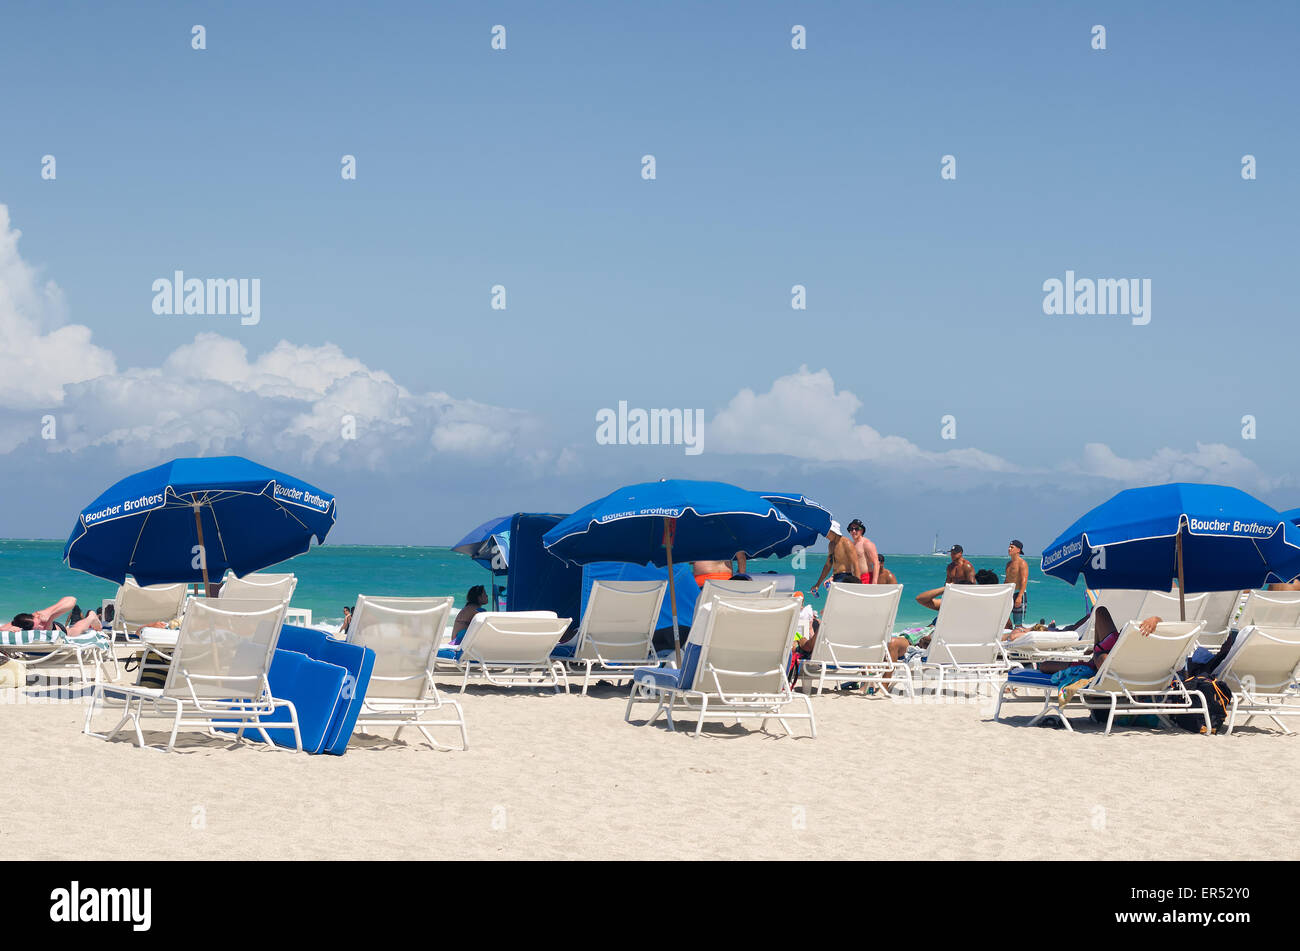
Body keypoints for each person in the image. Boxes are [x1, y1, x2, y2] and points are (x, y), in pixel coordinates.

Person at [1, 596, 102, 638]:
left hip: (60, 630)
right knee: (74, 629)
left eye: (39, 622)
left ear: (34, 615)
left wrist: (49, 613)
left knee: (74, 630)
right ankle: (91, 617)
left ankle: (91, 617)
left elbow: (72, 599)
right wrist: (11, 628)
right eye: (38, 626)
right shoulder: (19, 624)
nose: (41, 626)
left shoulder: (41, 617)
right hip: (53, 628)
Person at [914, 544, 976, 611]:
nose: (952, 555)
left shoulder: (967, 566)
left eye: (954, 553)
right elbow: (947, 584)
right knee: (924, 601)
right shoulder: (950, 567)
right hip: (951, 598)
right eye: (951, 553)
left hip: (963, 598)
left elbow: (972, 585)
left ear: (961, 553)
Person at [810, 521, 864, 596]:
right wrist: (817, 584)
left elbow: (855, 565)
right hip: (836, 578)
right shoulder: (831, 545)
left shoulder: (846, 543)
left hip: (846, 578)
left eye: (827, 532)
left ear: (834, 531)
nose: (825, 535)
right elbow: (828, 566)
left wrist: (858, 586)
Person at [846, 519, 880, 584]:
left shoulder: (867, 544)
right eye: (851, 529)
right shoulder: (851, 545)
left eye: (856, 529)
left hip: (866, 578)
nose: (853, 531)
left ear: (861, 530)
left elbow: (876, 563)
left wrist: (874, 582)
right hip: (854, 579)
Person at [1005, 539, 1029, 627]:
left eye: (1012, 547)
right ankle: (1010, 633)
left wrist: (1019, 596)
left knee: (1018, 623)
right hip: (1009, 594)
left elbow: (1024, 580)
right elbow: (1007, 580)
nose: (1009, 549)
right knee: (1003, 617)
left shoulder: (1022, 563)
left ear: (1018, 550)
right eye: (1009, 547)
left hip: (1019, 593)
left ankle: (1018, 636)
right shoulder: (1008, 564)